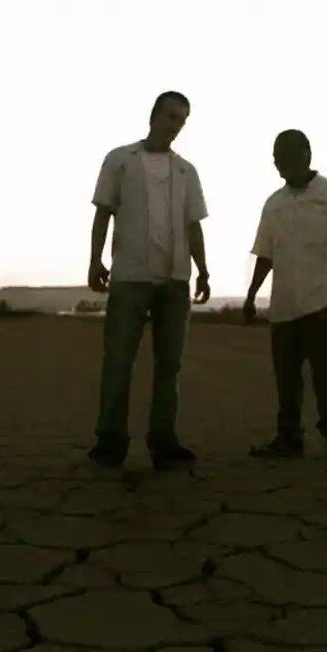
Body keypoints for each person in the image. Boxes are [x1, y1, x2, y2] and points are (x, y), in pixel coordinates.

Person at [87, 91, 211, 469]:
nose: (175, 126)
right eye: (171, 117)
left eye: (182, 121)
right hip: (131, 277)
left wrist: (202, 269)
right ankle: (110, 442)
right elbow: (103, 212)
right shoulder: (120, 160)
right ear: (155, 115)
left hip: (175, 280)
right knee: (119, 361)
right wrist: (94, 260)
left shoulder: (186, 170)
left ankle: (164, 440)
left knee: (169, 364)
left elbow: (194, 225)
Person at [243, 130, 327, 472]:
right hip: (284, 306)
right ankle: (288, 438)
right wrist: (252, 295)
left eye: (288, 154)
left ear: (307, 154)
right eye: (277, 157)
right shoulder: (275, 203)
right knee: (286, 378)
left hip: (323, 303)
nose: (282, 162)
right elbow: (265, 254)